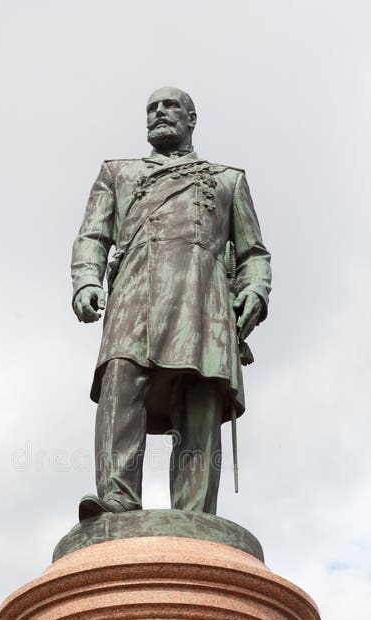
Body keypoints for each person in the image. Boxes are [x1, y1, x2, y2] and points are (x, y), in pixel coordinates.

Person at [71, 86, 271, 521]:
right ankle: (117, 498)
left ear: (191, 119)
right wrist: (86, 278)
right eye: (151, 108)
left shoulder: (226, 179)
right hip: (133, 295)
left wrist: (255, 289)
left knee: (198, 397)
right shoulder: (117, 173)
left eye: (169, 106)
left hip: (203, 302)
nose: (158, 113)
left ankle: (195, 513)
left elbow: (255, 254)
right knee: (120, 380)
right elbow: (92, 236)